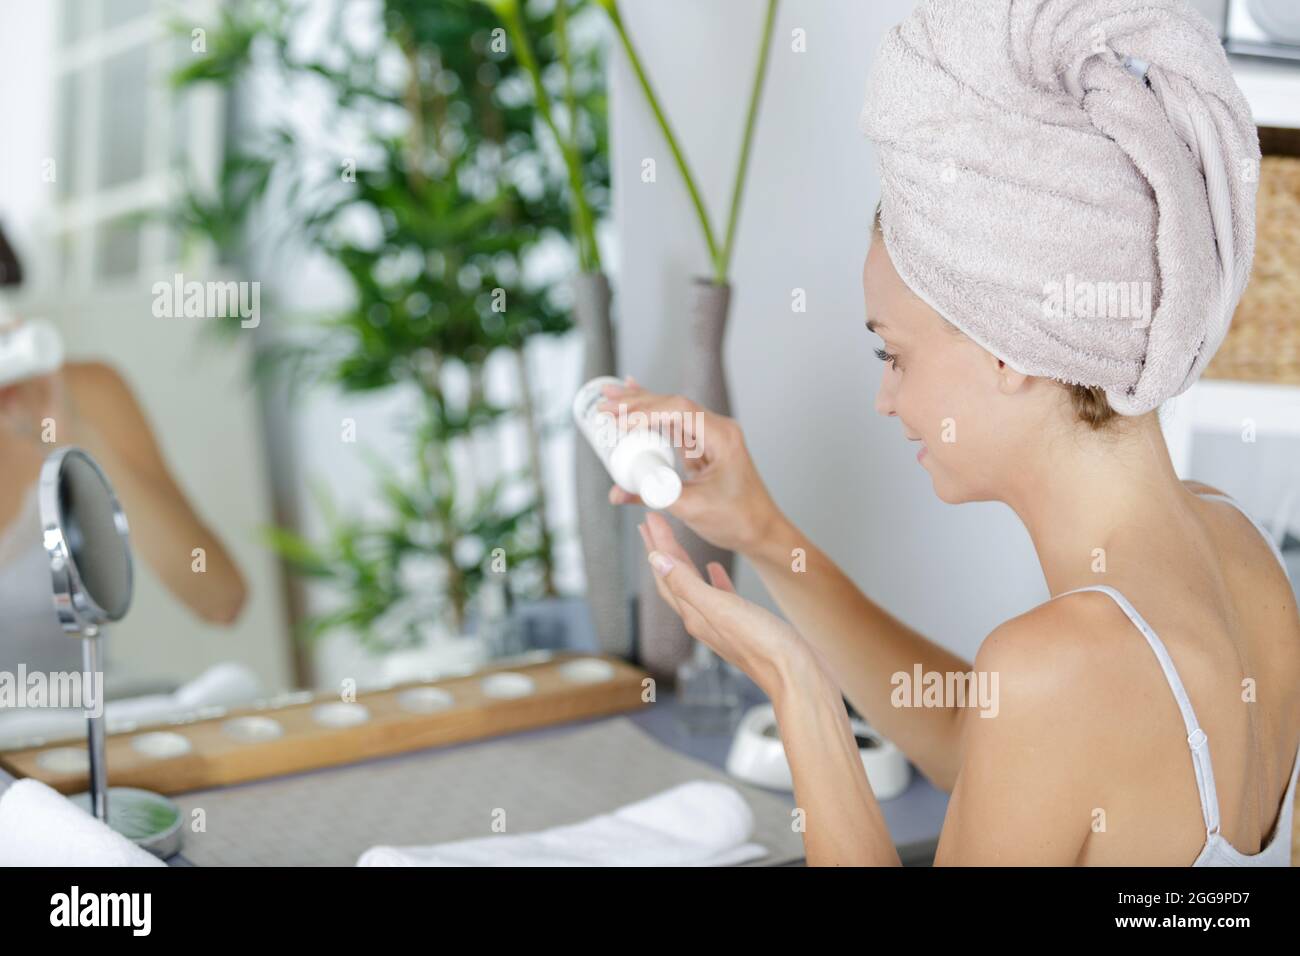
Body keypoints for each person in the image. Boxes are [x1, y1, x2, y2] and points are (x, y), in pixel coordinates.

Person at [600, 0, 1300, 865]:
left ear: (1009, 354)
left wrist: (798, 688)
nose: (885, 401)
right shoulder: (1244, 554)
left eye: (892, 355)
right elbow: (1011, 753)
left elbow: (1045, 723)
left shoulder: (1059, 665)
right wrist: (766, 535)